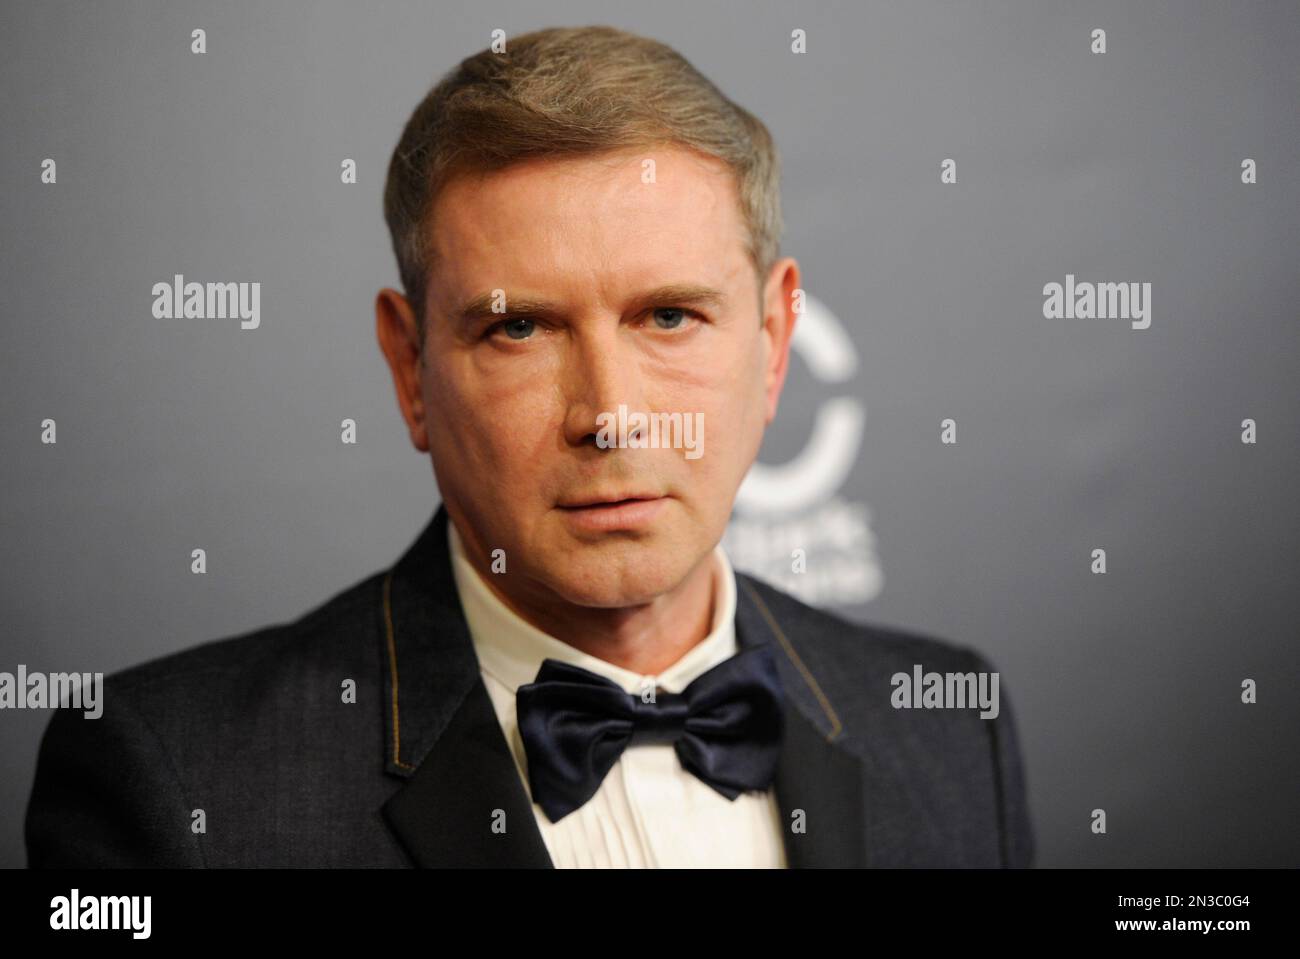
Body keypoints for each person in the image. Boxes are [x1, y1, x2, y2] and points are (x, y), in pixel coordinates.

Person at [26, 25, 1033, 868]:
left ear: (774, 346)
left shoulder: (945, 728)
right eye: (518, 328)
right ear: (410, 366)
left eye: (670, 316)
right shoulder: (178, 782)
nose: (609, 412)